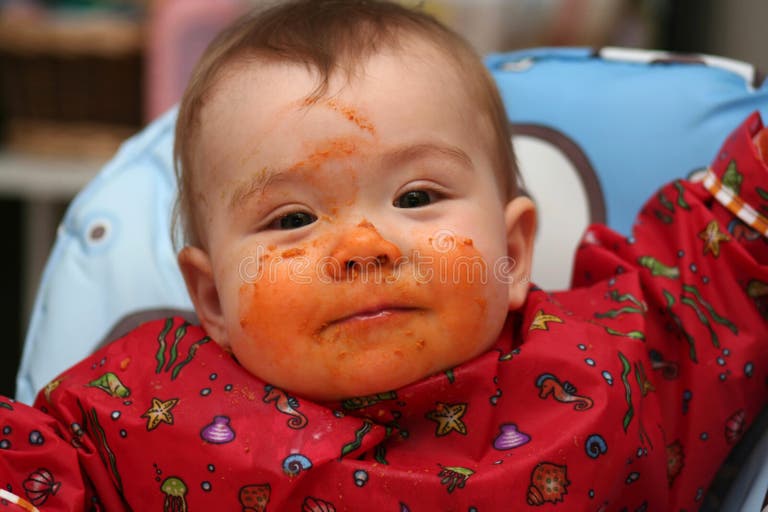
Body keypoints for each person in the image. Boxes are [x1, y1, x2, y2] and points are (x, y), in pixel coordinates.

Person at [1, 1, 766, 510]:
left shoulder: (613, 365)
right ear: (211, 300)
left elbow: (726, 255)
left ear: (515, 251)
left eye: (416, 198)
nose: (363, 248)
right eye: (293, 217)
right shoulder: (139, 407)